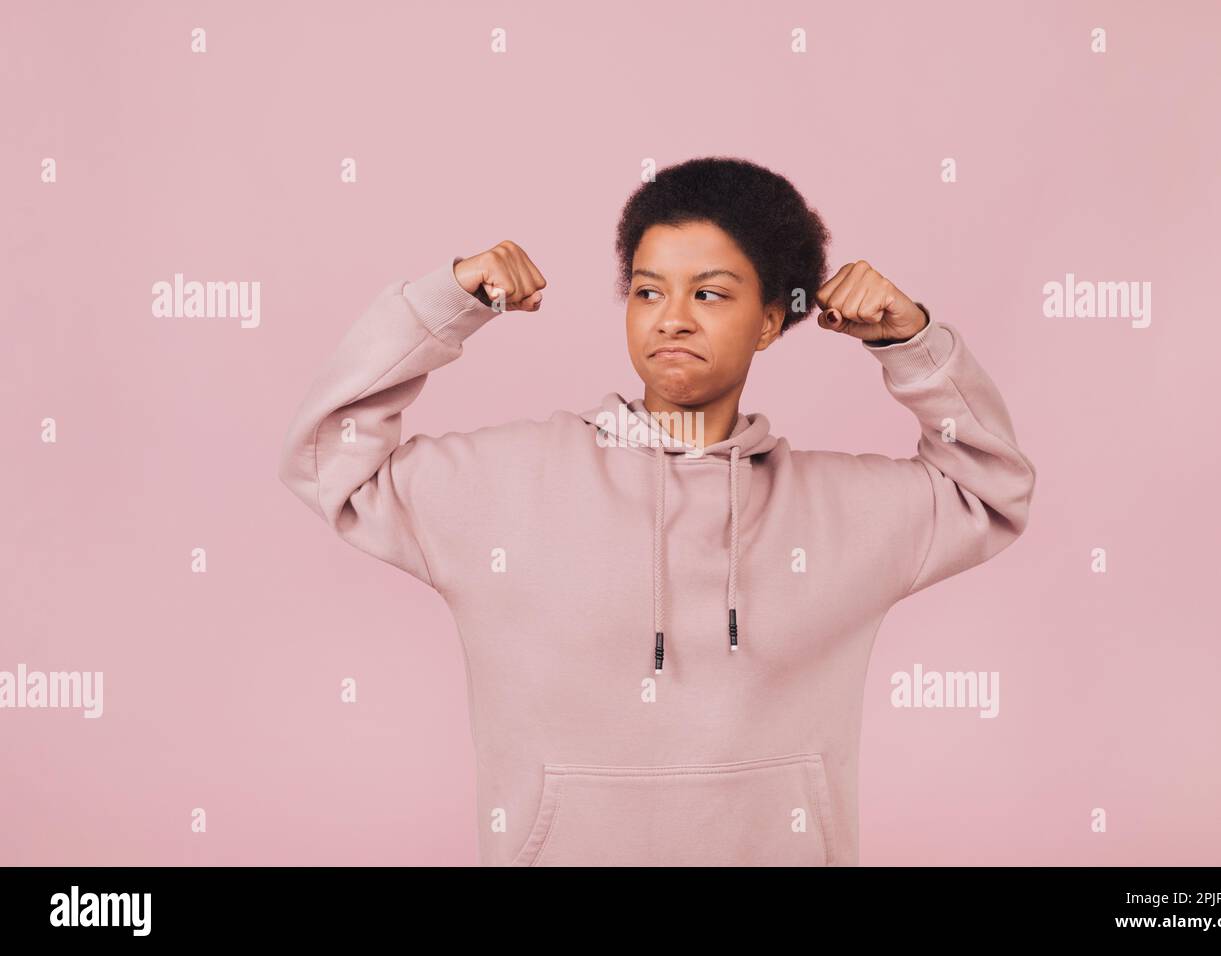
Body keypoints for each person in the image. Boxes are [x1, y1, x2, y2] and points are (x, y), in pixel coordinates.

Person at [277, 156, 1036, 866]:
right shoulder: (505, 483)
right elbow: (328, 459)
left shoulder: (841, 510)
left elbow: (989, 488)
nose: (670, 318)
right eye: (648, 291)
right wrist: (444, 304)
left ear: (772, 321)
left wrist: (913, 343)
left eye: (709, 293)